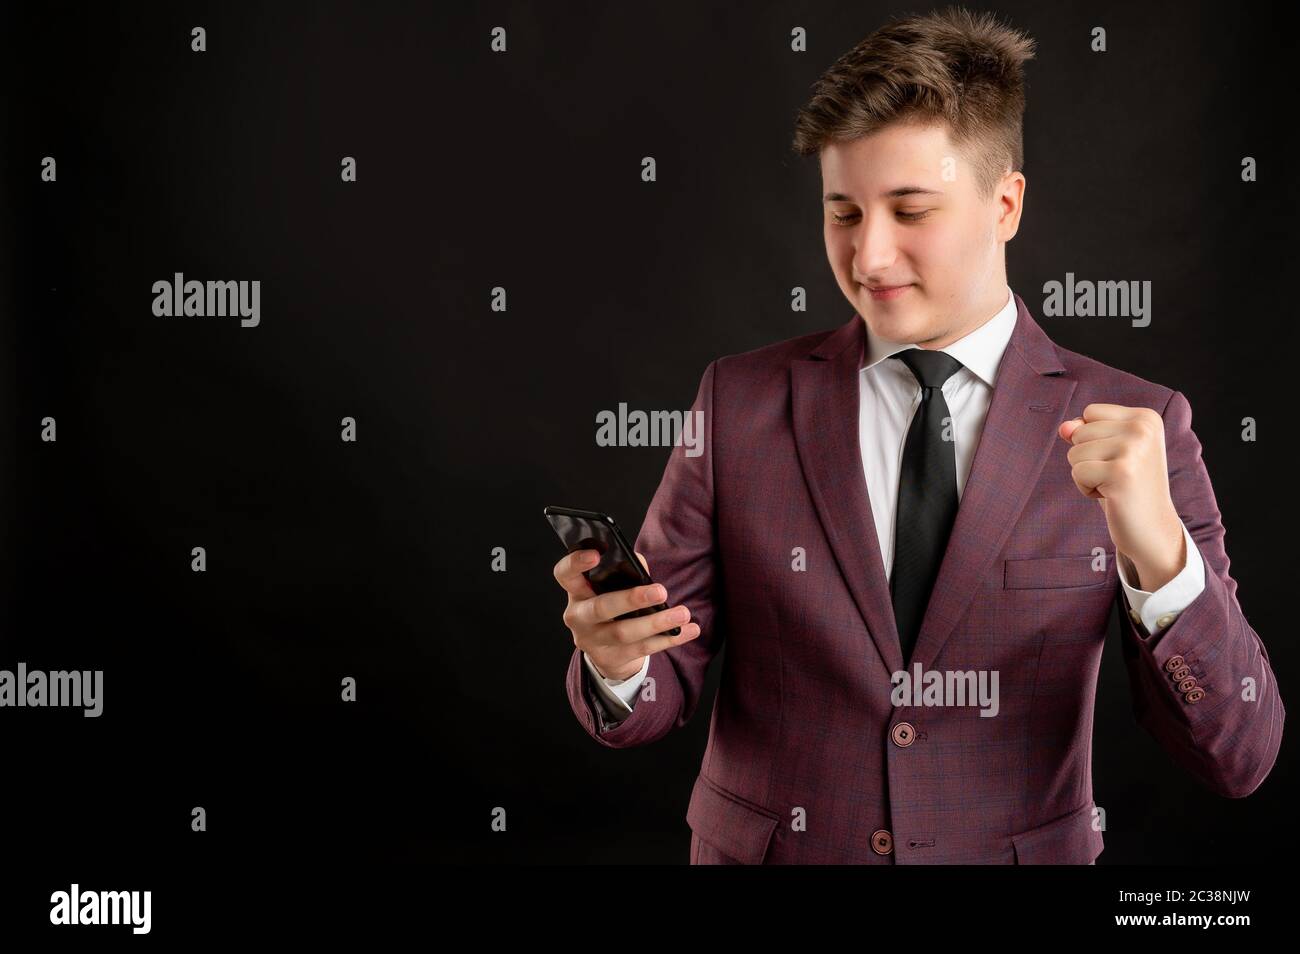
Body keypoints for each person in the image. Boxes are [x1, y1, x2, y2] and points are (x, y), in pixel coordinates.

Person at [552, 6, 1283, 864]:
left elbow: (1239, 755)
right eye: (845, 213)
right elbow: (653, 694)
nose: (868, 258)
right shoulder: (737, 402)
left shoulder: (1142, 426)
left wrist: (1161, 561)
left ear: (1005, 204)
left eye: (909, 209)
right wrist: (615, 662)